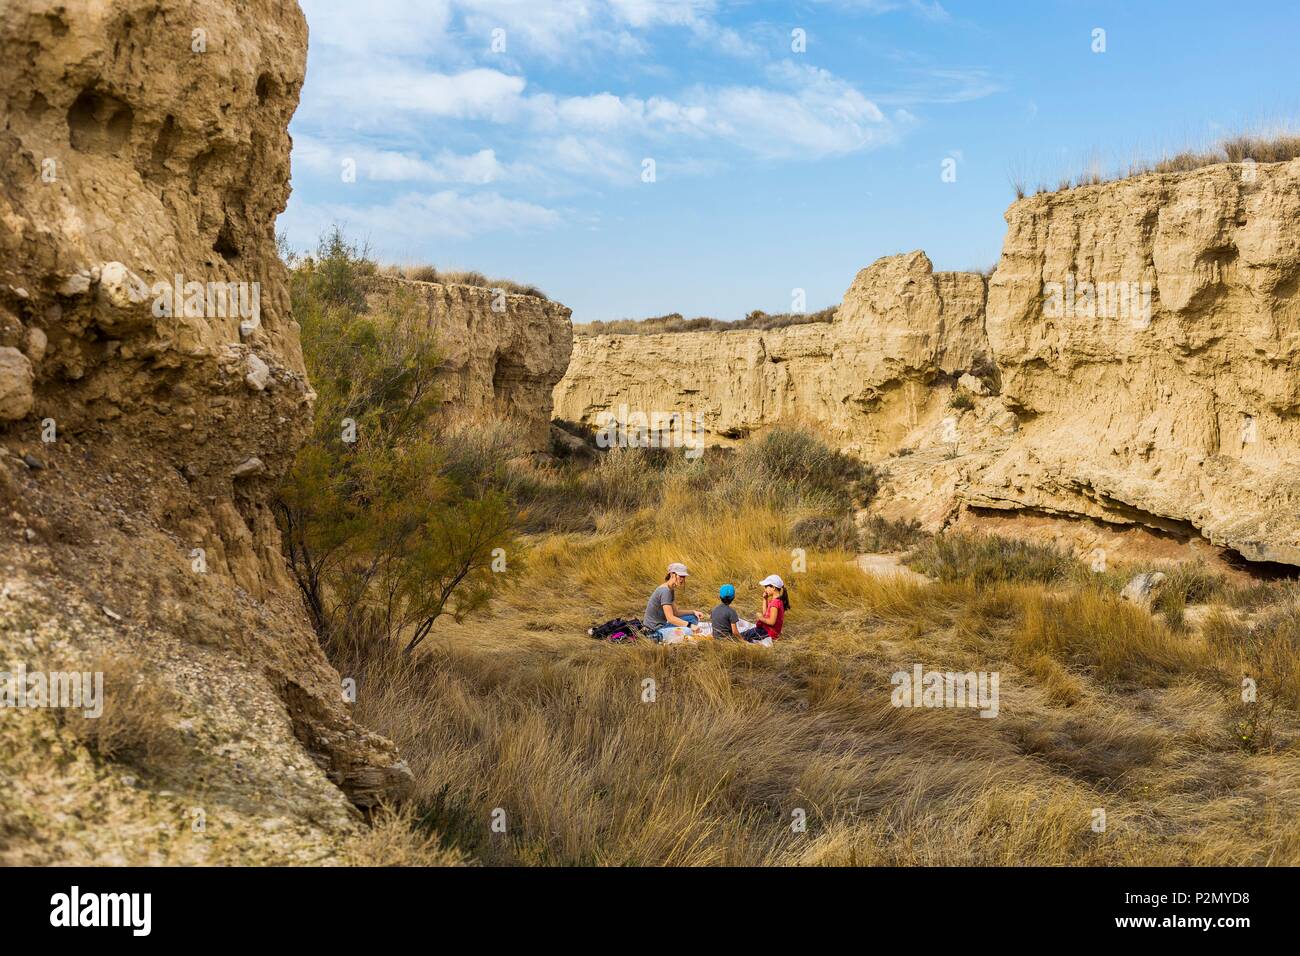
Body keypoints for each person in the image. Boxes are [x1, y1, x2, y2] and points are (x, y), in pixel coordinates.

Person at [643, 562, 701, 641]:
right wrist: (691, 626)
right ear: (672, 574)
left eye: (684, 577)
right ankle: (658, 637)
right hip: (655, 631)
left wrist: (693, 611)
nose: (682, 579)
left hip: (662, 625)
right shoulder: (665, 591)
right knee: (688, 630)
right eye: (680, 576)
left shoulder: (670, 589)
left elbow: (676, 613)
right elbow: (670, 618)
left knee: (693, 617)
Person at [740, 574, 790, 642]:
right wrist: (765, 599)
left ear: (773, 587)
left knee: (741, 637)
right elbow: (765, 614)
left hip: (768, 633)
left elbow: (772, 622)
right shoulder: (777, 601)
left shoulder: (775, 603)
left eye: (766, 587)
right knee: (746, 633)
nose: (765, 589)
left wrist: (761, 618)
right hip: (767, 631)